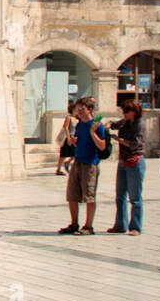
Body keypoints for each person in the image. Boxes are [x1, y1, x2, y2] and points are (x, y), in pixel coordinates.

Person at [60, 97, 108, 235]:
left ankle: (88, 226)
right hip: (78, 162)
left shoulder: (97, 126)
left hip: (90, 164)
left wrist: (93, 133)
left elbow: (102, 146)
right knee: (72, 195)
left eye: (82, 109)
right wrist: (74, 141)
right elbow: (77, 142)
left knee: (89, 196)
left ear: (90, 110)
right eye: (78, 109)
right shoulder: (80, 125)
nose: (79, 112)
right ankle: (74, 223)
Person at [106, 99, 146, 235]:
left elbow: (136, 144)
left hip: (134, 161)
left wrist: (119, 140)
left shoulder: (139, 125)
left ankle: (135, 227)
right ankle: (120, 225)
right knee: (120, 196)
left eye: (126, 112)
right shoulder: (125, 122)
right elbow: (115, 125)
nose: (124, 114)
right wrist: (108, 124)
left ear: (134, 112)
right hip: (123, 161)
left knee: (135, 198)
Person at [55, 100, 77, 176]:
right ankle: (58, 169)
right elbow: (66, 127)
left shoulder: (76, 118)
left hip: (74, 137)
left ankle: (67, 162)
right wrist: (68, 138)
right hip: (67, 137)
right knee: (63, 154)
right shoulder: (69, 117)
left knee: (76, 153)